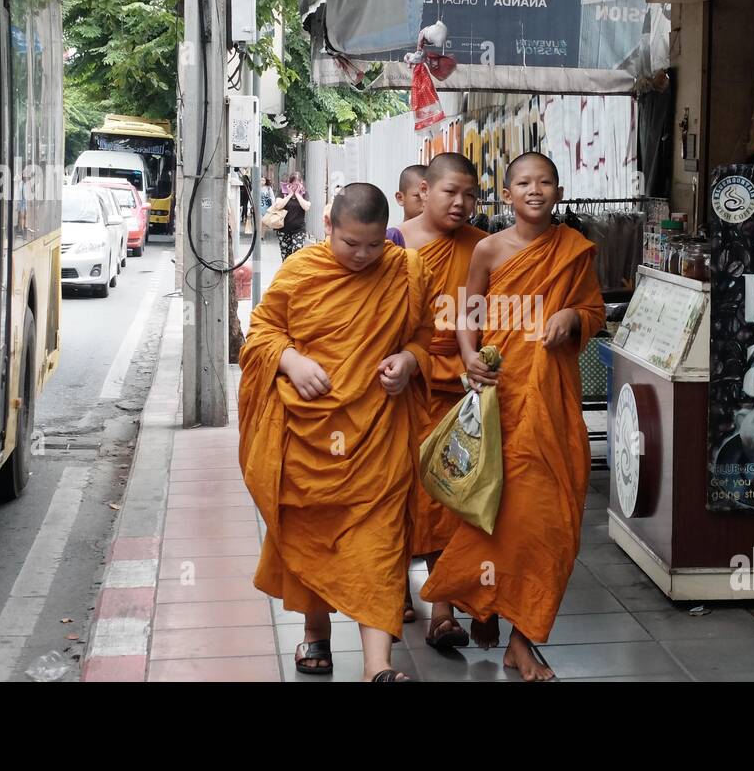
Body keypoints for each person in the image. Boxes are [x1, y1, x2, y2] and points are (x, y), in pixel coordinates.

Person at [238, 182, 437, 682]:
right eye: (351, 244)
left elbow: (425, 336)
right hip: (310, 432)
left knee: (381, 541)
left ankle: (377, 668)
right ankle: (315, 634)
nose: (364, 256)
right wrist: (291, 360)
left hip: (378, 432)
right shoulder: (300, 272)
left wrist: (409, 361)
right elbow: (260, 334)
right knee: (312, 536)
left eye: (374, 245)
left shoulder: (407, 270)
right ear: (328, 227)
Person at [420, 152, 605, 682]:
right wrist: (468, 355)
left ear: (559, 191)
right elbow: (467, 313)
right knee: (495, 515)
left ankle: (520, 637)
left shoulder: (574, 250)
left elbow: (592, 312)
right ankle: (488, 611)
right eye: (523, 182)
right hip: (500, 401)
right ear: (507, 194)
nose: (535, 190)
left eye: (545, 182)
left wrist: (570, 317)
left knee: (551, 522)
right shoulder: (488, 248)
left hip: (551, 404)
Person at [395, 153, 486, 645]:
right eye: (451, 191)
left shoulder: (484, 247)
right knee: (400, 497)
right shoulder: (392, 244)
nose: (462, 202)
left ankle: (444, 610)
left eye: (471, 194)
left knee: (449, 499)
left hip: (460, 393)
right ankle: (395, 594)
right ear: (424, 190)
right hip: (403, 391)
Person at [271, 172, 310, 260]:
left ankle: (295, 272)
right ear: (289, 183)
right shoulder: (283, 191)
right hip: (284, 229)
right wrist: (289, 195)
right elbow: (278, 205)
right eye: (292, 183)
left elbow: (306, 207)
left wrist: (297, 194)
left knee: (297, 252)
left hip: (299, 229)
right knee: (286, 257)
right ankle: (287, 273)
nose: (294, 186)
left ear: (301, 183)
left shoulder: (304, 193)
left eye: (297, 184)